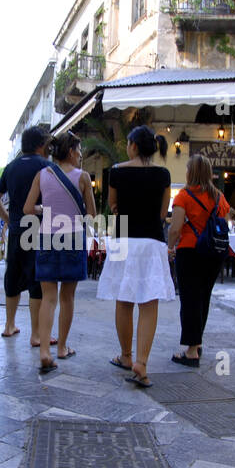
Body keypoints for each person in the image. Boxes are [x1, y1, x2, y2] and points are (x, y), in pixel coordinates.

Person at [98, 125, 174, 387]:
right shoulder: (163, 174)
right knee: (149, 302)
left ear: (132, 145)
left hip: (123, 236)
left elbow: (113, 206)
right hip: (151, 239)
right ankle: (142, 361)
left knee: (123, 299)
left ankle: (126, 356)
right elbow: (163, 214)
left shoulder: (117, 172)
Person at [23, 132, 96, 372]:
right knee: (67, 297)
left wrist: (47, 209)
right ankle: (62, 347)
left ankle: (44, 351)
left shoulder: (42, 175)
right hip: (73, 237)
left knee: (49, 298)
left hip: (46, 237)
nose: (81, 155)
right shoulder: (83, 177)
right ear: (73, 151)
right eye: (80, 150)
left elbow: (27, 208)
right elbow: (92, 216)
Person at [0, 125, 50, 345]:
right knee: (36, 280)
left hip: (16, 230)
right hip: (38, 230)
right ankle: (35, 334)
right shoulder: (47, 167)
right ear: (41, 145)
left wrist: (8, 220)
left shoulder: (11, 167)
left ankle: (9, 325)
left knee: (12, 278)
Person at [167, 154, 228, 366]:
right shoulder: (219, 197)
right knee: (203, 298)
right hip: (214, 254)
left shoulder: (183, 196)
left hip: (190, 251)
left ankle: (191, 351)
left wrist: (170, 247)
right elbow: (224, 222)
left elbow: (175, 228)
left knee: (190, 300)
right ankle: (197, 343)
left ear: (190, 172)